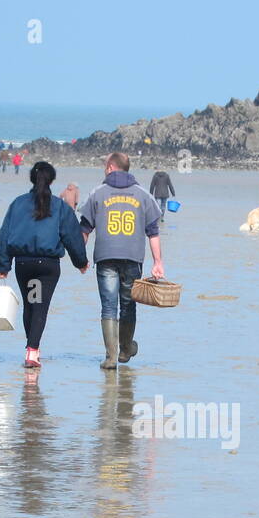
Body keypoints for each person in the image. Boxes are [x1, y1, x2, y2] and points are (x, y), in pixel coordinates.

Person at [0, 161, 88, 369]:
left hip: (24, 264)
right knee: (40, 307)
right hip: (47, 266)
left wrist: (3, 266)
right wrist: (80, 262)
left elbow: (4, 236)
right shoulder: (60, 206)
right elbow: (72, 236)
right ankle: (32, 350)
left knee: (30, 305)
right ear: (52, 180)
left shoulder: (18, 204)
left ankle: (32, 349)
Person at [79, 152, 165, 370]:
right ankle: (126, 348)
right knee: (128, 305)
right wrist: (158, 262)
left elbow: (85, 229)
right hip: (132, 258)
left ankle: (110, 358)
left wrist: (80, 257)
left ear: (110, 167)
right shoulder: (143, 195)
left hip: (105, 257)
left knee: (108, 307)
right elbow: (153, 232)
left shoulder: (97, 193)